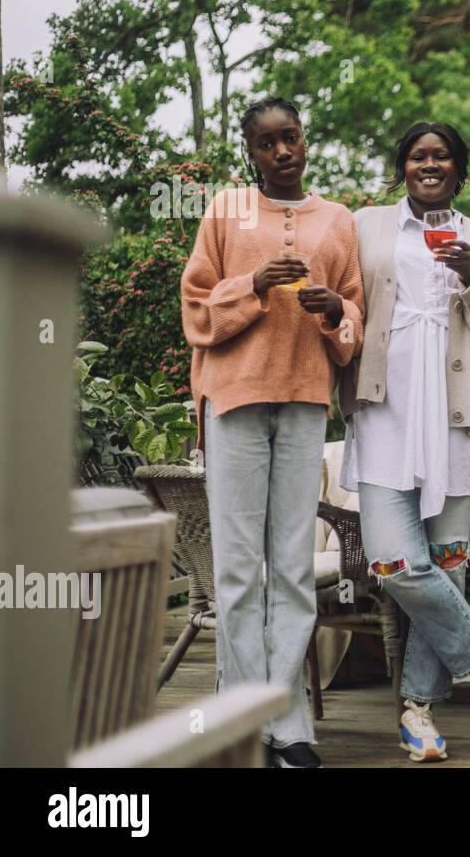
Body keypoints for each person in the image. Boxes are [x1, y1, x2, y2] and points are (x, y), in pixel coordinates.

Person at [338, 121, 470, 760]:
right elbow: (345, 309)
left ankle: (417, 711)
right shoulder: (364, 226)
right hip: (383, 415)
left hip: (459, 423)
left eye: (443, 156)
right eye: (419, 155)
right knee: (394, 563)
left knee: (447, 564)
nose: (431, 164)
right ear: (403, 167)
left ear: (459, 170)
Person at [181, 97, 365, 768]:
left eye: (291, 138)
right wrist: (254, 283)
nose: (282, 152)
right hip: (232, 400)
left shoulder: (338, 221)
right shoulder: (225, 211)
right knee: (237, 568)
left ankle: (286, 724)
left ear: (305, 141)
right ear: (251, 152)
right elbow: (197, 310)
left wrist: (332, 307)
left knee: (289, 568)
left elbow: (354, 325)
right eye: (267, 143)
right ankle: (240, 717)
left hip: (304, 402)